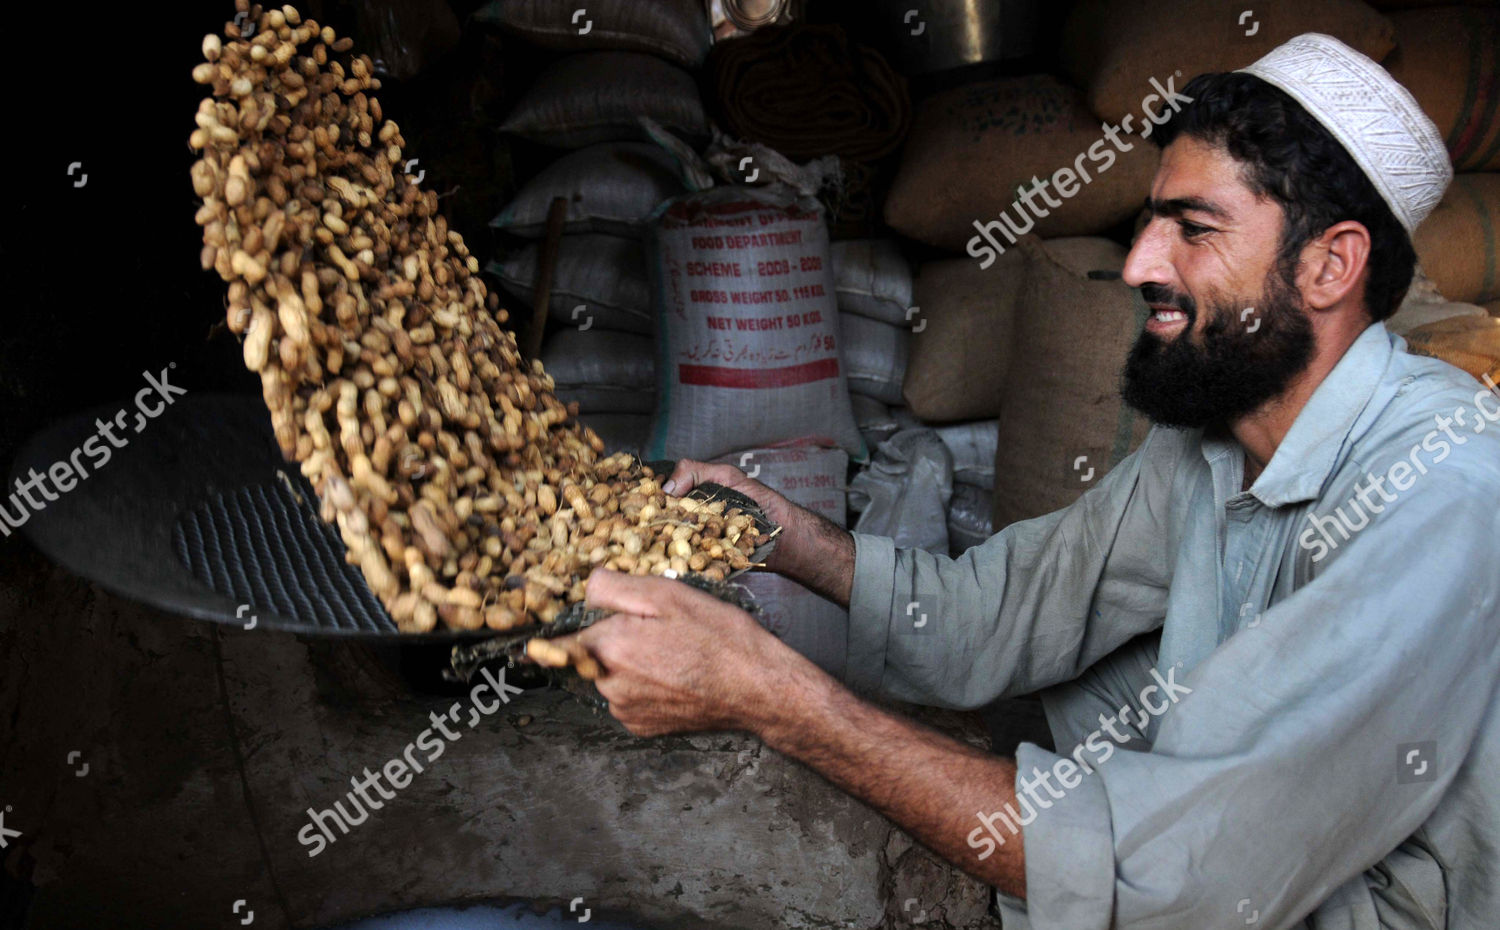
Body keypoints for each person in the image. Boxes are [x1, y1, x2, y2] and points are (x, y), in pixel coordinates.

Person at [538, 34, 1500, 929]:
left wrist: (771, 696)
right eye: (1145, 224)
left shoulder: (1443, 493)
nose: (1135, 266)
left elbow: (1187, 880)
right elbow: (1002, 610)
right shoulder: (1215, 436)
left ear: (1331, 264)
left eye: (1192, 230)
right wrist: (784, 534)